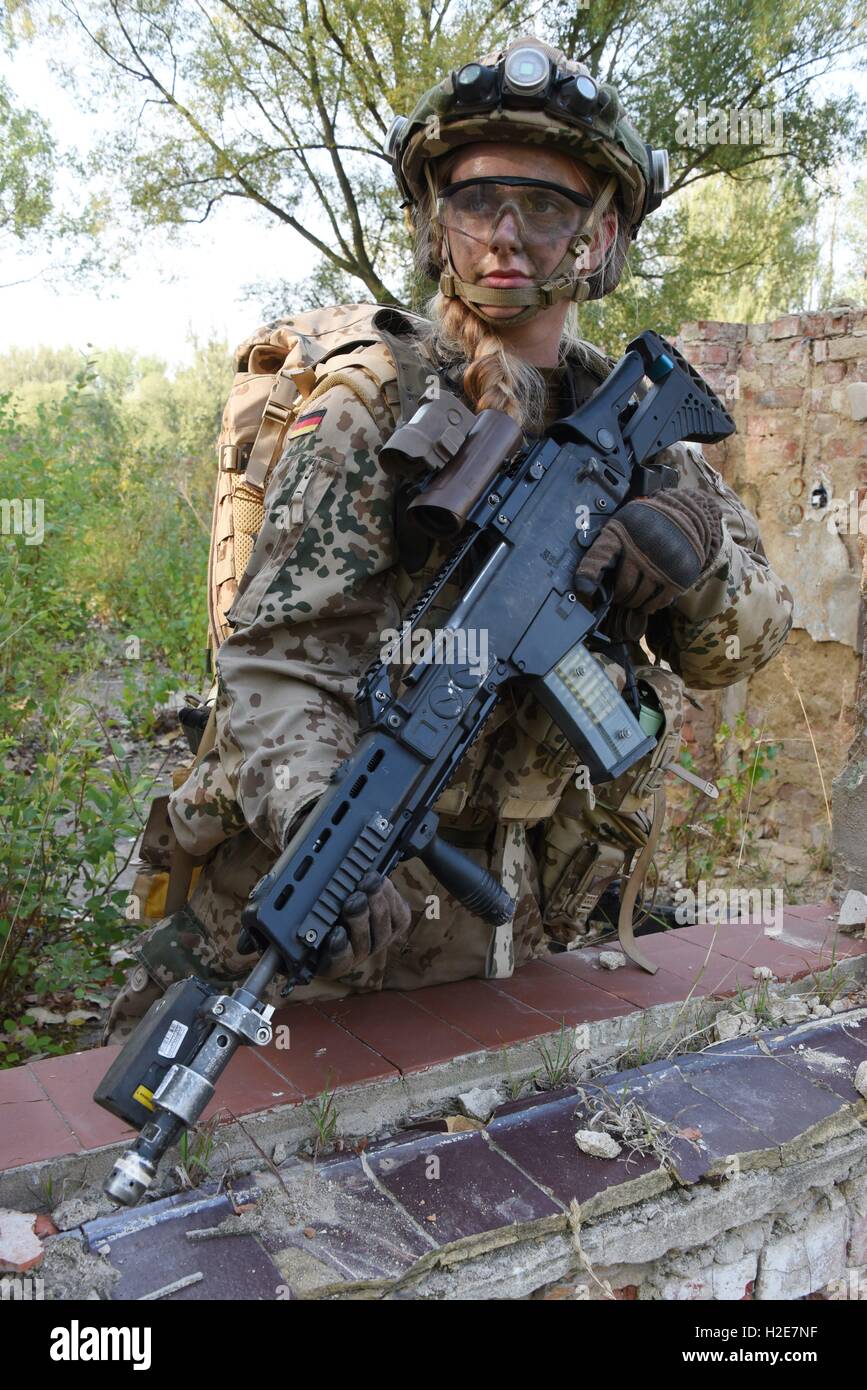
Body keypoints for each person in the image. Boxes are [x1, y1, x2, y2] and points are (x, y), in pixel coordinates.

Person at [103, 35, 794, 1043]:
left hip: (518, 922)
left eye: (546, 206)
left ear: (598, 238)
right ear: (436, 224)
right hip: (328, 932)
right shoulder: (372, 402)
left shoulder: (633, 417)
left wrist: (699, 562)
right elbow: (272, 663)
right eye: (476, 203)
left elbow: (752, 641)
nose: (506, 236)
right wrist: (318, 837)